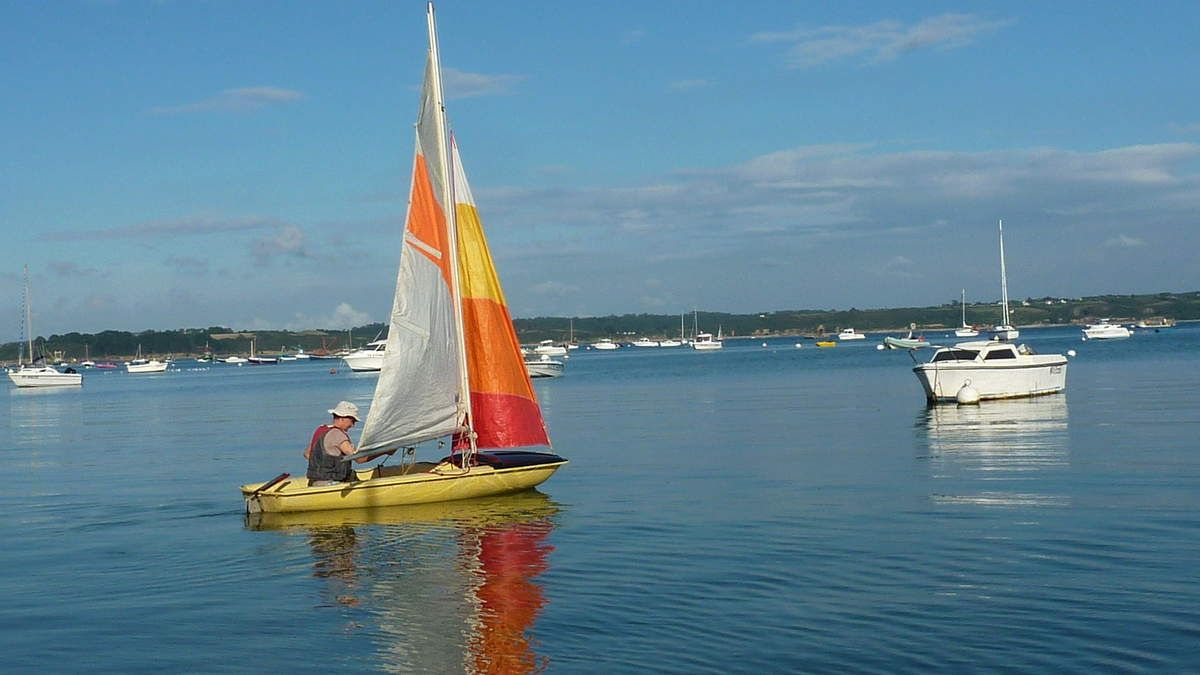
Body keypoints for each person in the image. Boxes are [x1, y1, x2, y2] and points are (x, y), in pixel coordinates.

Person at [304, 401, 380, 486]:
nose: (353, 425)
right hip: (330, 483)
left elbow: (307, 454)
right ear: (342, 418)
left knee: (352, 475)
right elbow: (359, 459)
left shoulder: (321, 430)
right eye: (352, 420)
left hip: (315, 481)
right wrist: (382, 452)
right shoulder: (337, 434)